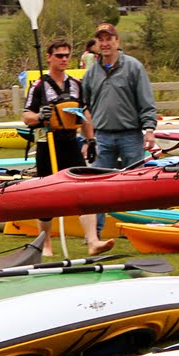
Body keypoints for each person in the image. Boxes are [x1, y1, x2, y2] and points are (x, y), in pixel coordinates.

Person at [22, 39, 108, 256]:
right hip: (47, 142)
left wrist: (90, 140)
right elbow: (26, 117)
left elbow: (84, 114)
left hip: (70, 142)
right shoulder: (39, 87)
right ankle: (46, 244)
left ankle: (92, 241)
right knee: (46, 196)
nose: (63, 59)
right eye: (59, 55)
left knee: (83, 191)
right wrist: (39, 116)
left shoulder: (75, 85)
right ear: (49, 57)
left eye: (67, 55)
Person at [79, 22, 158, 255]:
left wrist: (149, 129)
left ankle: (142, 229)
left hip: (130, 134)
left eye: (109, 39)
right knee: (97, 186)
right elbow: (85, 107)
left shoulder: (133, 67)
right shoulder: (91, 73)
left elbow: (146, 100)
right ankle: (96, 233)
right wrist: (87, 139)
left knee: (136, 184)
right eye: (100, 39)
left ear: (117, 42)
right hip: (102, 136)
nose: (104, 43)